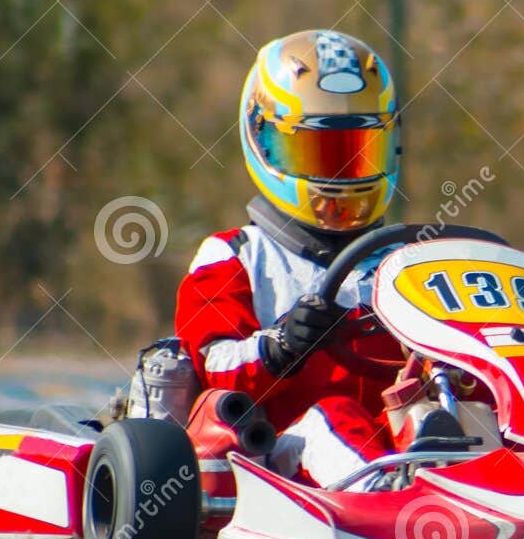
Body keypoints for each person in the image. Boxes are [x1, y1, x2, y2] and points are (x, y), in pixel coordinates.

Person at [174, 29, 411, 485]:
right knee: (333, 418)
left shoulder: (409, 260)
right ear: (264, 139)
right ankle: (383, 505)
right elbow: (214, 369)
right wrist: (281, 346)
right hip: (279, 457)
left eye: (358, 153)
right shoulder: (237, 255)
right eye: (318, 151)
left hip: (400, 445)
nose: (341, 176)